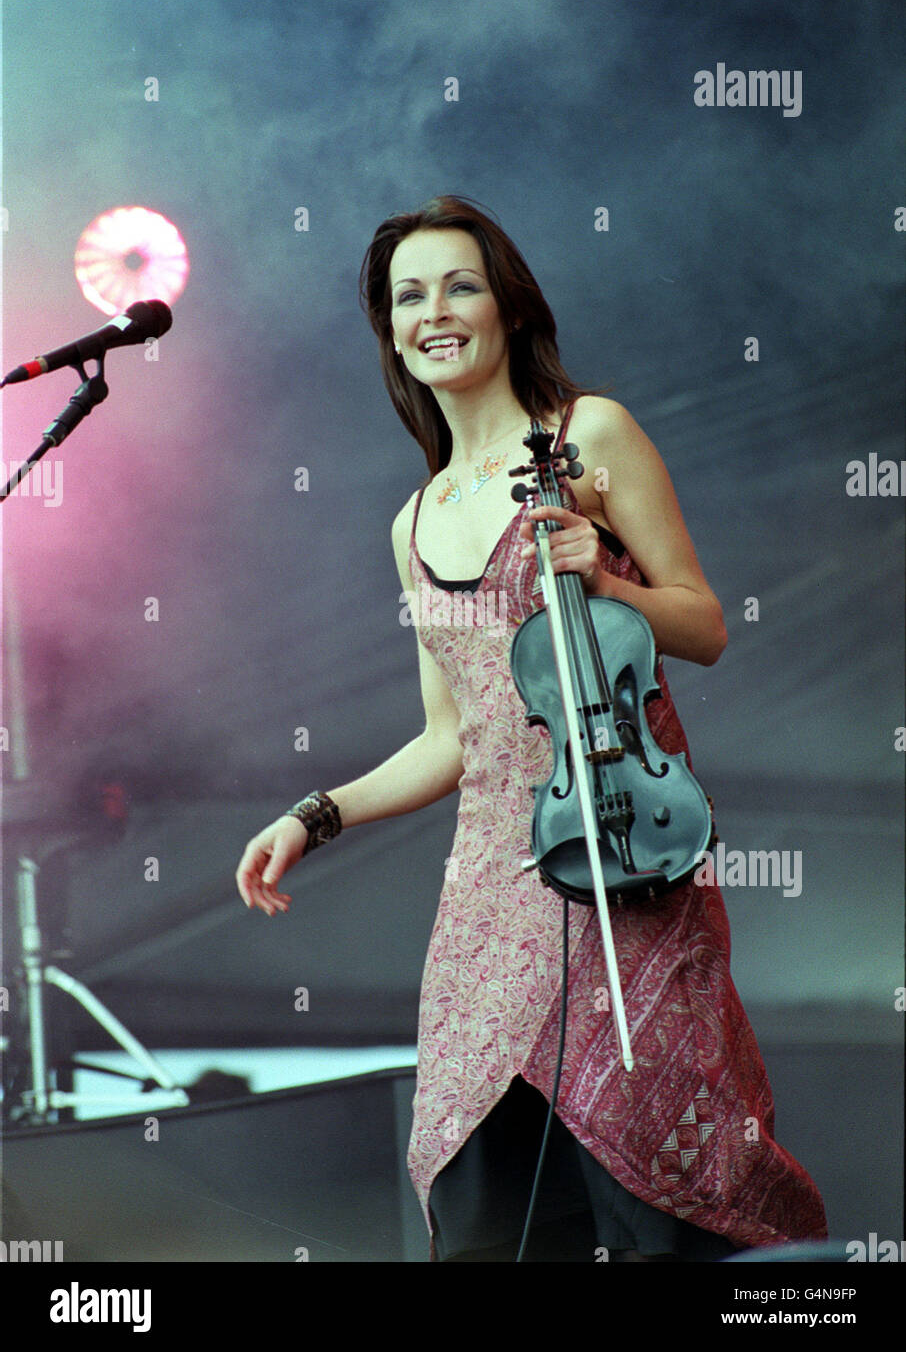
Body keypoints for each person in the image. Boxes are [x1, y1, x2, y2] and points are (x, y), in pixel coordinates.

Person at [235, 194, 828, 1262]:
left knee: (660, 1201)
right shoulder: (411, 524)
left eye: (459, 283)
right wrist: (314, 815)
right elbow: (452, 736)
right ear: (393, 333)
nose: (435, 310)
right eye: (408, 296)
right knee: (481, 1219)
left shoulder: (588, 435)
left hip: (623, 849)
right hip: (487, 894)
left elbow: (704, 623)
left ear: (507, 306)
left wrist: (606, 577)